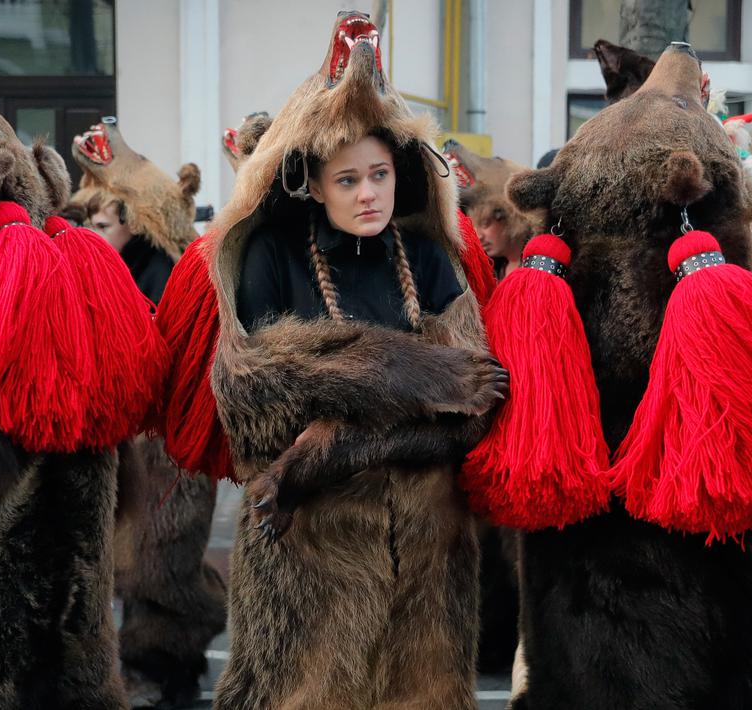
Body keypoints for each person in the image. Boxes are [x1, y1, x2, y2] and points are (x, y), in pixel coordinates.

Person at [169, 11, 506, 709]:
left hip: (428, 561)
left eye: (378, 175)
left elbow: (475, 404)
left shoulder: (429, 260)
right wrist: (402, 372)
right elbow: (257, 411)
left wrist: (330, 447)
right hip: (309, 553)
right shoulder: (270, 258)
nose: (367, 194)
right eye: (347, 180)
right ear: (315, 186)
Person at [70, 117, 226, 709]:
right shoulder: (118, 268)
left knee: (160, 563)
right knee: (131, 560)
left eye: (104, 221)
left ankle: (171, 668)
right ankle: (152, 668)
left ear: (136, 223)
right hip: (133, 442)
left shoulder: (168, 271)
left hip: (171, 444)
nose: (95, 229)